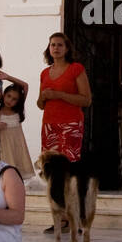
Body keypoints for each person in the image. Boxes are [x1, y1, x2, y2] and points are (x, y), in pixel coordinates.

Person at [37, 32, 90, 162]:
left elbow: (86, 100)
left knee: (69, 164)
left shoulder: (76, 68)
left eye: (60, 45)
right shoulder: (44, 73)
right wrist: (43, 97)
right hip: (49, 124)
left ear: (67, 49)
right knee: (50, 166)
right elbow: (40, 105)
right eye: (52, 45)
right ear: (49, 48)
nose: (56, 48)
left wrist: (59, 95)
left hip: (71, 123)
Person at [0, 82, 34, 179]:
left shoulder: (17, 113)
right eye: (8, 96)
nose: (10, 100)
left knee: (17, 178)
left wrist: (7, 77)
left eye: (14, 99)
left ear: (18, 102)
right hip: (3, 150)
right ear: (4, 95)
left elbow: (25, 86)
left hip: (17, 150)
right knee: (4, 177)